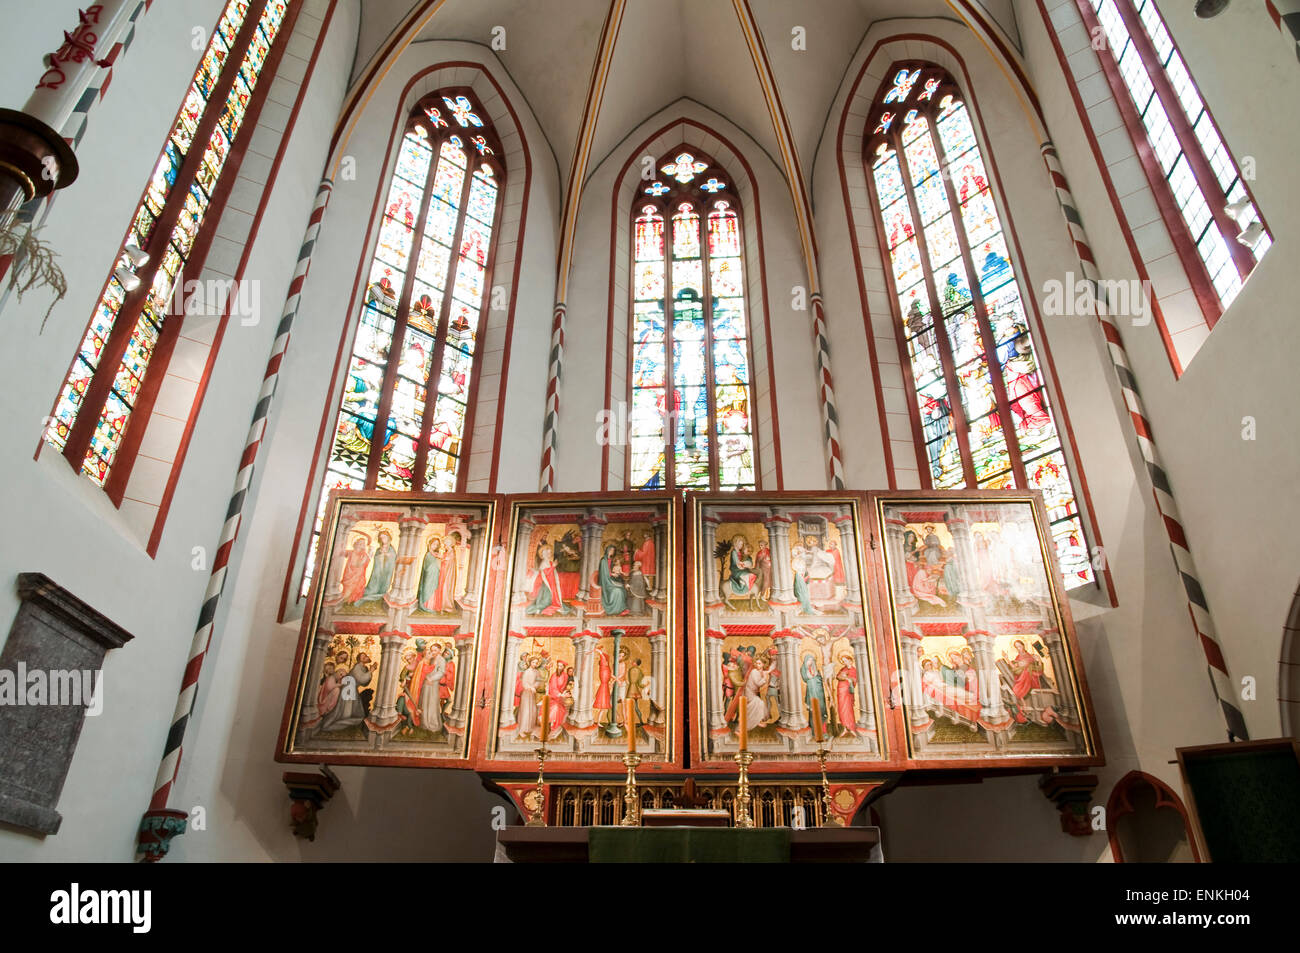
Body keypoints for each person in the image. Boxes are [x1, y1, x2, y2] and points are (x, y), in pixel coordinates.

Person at [526, 545, 566, 615]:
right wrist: (553, 567)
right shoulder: (543, 563)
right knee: (546, 601)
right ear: (543, 555)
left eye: (549, 553)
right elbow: (545, 573)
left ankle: (542, 608)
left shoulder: (550, 562)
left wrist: (553, 566)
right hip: (545, 584)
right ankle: (538, 609)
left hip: (551, 583)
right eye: (546, 553)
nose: (548, 555)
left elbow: (553, 573)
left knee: (551, 599)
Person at [361, 531, 396, 602]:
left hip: (386, 570)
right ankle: (372, 591)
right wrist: (381, 555)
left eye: (384, 537)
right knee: (375, 579)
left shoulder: (391, 549)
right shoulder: (378, 549)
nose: (383, 539)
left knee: (384, 582)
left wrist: (387, 555)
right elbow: (376, 558)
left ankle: (381, 592)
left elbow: (393, 559)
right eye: (381, 537)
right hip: (377, 570)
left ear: (388, 538)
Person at [800, 652, 827, 737]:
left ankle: (823, 731)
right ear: (805, 661)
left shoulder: (816, 670)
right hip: (811, 692)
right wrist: (813, 677)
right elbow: (805, 678)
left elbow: (820, 679)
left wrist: (821, 676)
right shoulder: (803, 669)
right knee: (814, 711)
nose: (810, 662)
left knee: (821, 711)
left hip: (819, 693)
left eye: (811, 660)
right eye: (808, 660)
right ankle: (815, 731)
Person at [599, 544, 629, 616]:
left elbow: (614, 570)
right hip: (606, 582)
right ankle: (615, 609)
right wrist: (612, 575)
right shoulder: (603, 560)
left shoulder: (611, 560)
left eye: (613, 550)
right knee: (618, 591)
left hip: (611, 580)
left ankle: (622, 609)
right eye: (610, 550)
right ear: (607, 551)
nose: (612, 552)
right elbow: (604, 573)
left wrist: (617, 574)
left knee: (622, 588)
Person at [339, 536, 370, 605]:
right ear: (356, 544)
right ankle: (344, 599)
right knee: (347, 587)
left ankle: (348, 600)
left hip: (358, 575)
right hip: (349, 573)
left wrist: (367, 557)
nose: (362, 545)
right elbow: (342, 554)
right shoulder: (351, 552)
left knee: (354, 587)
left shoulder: (363, 555)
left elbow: (359, 565)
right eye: (360, 543)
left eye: (363, 544)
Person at [834, 653, 859, 737]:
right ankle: (845, 728)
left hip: (848, 692)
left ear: (850, 660)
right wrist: (844, 677)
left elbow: (855, 680)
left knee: (849, 709)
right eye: (843, 661)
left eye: (846, 660)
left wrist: (847, 678)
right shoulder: (843, 669)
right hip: (841, 692)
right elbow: (837, 677)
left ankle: (851, 728)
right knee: (842, 709)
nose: (845, 662)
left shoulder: (853, 670)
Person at [546, 661, 571, 740]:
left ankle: (555, 725)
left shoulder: (566, 676)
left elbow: (564, 687)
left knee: (561, 708)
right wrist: (559, 694)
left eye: (561, 666)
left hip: (560, 696)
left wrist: (564, 693)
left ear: (563, 667)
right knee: (554, 707)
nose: (559, 667)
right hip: (553, 696)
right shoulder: (554, 675)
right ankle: (550, 725)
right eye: (558, 666)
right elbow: (553, 687)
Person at [418, 536, 443, 611]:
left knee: (433, 592)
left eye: (436, 545)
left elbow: (440, 565)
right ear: (429, 544)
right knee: (427, 590)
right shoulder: (428, 554)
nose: (435, 546)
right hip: (429, 577)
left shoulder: (437, 554)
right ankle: (425, 605)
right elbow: (427, 567)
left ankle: (431, 606)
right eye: (433, 544)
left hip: (435, 577)